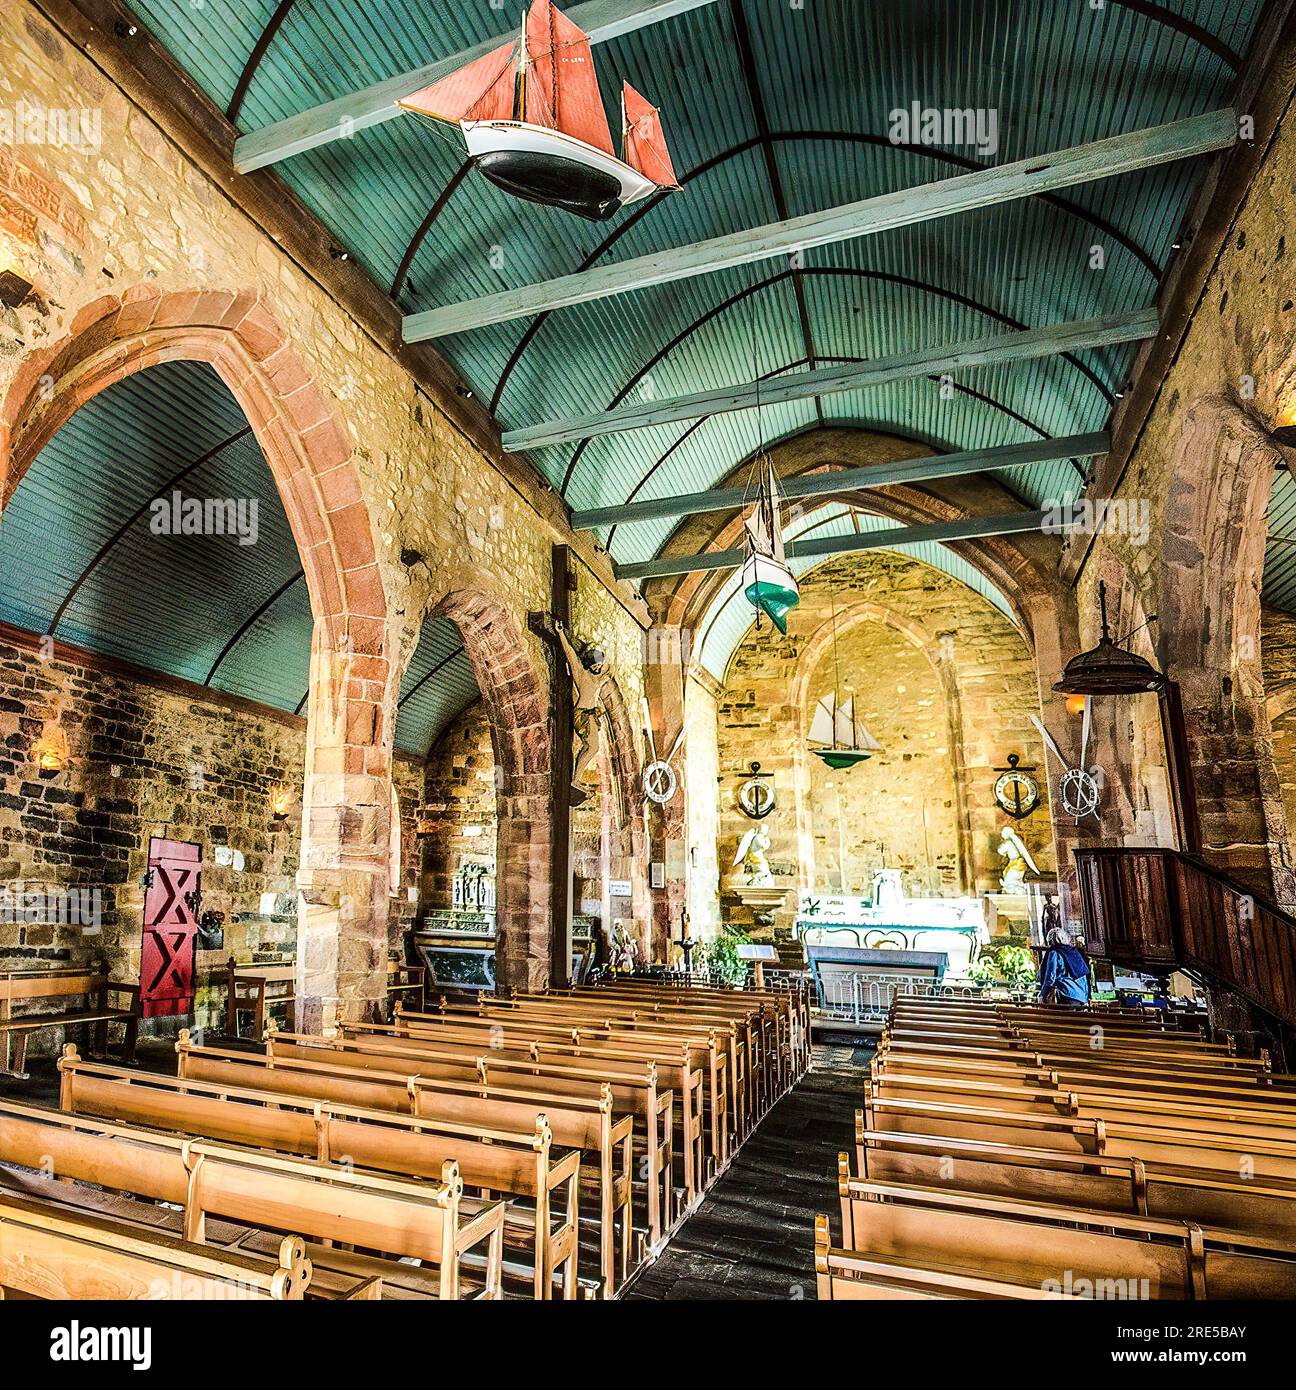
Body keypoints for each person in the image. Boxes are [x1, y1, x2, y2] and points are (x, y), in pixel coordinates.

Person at [1038, 925, 1091, 1006]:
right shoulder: (1074, 952)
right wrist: (1086, 997)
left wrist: (1042, 995)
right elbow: (1083, 976)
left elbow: (1050, 978)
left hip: (1066, 995)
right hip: (1081, 997)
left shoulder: (1054, 953)